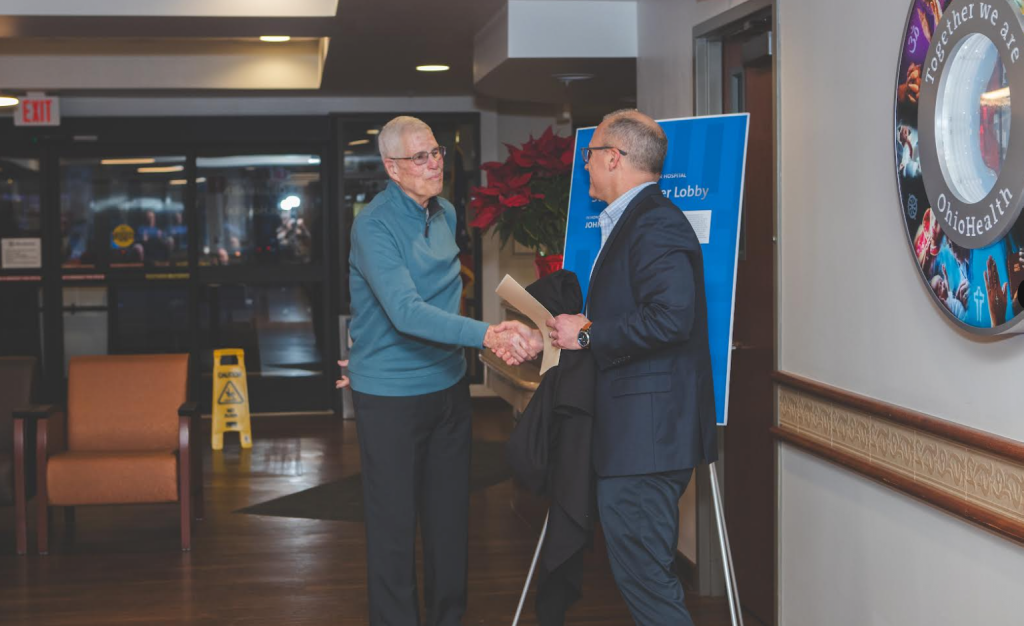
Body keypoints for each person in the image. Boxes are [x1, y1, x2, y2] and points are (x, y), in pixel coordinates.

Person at [347, 115, 541, 626]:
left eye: (435, 152)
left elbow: (444, 296)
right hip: (390, 397)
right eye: (419, 157)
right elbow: (404, 311)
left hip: (448, 387)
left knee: (450, 523)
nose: (434, 164)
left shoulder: (447, 211)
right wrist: (489, 335)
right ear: (392, 168)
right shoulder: (374, 224)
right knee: (392, 529)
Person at [545, 109, 718, 626]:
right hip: (637, 435)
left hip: (647, 439)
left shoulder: (656, 222)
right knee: (644, 577)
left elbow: (671, 318)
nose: (585, 164)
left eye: (591, 154)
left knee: (647, 583)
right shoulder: (634, 221)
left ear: (614, 158)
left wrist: (590, 332)